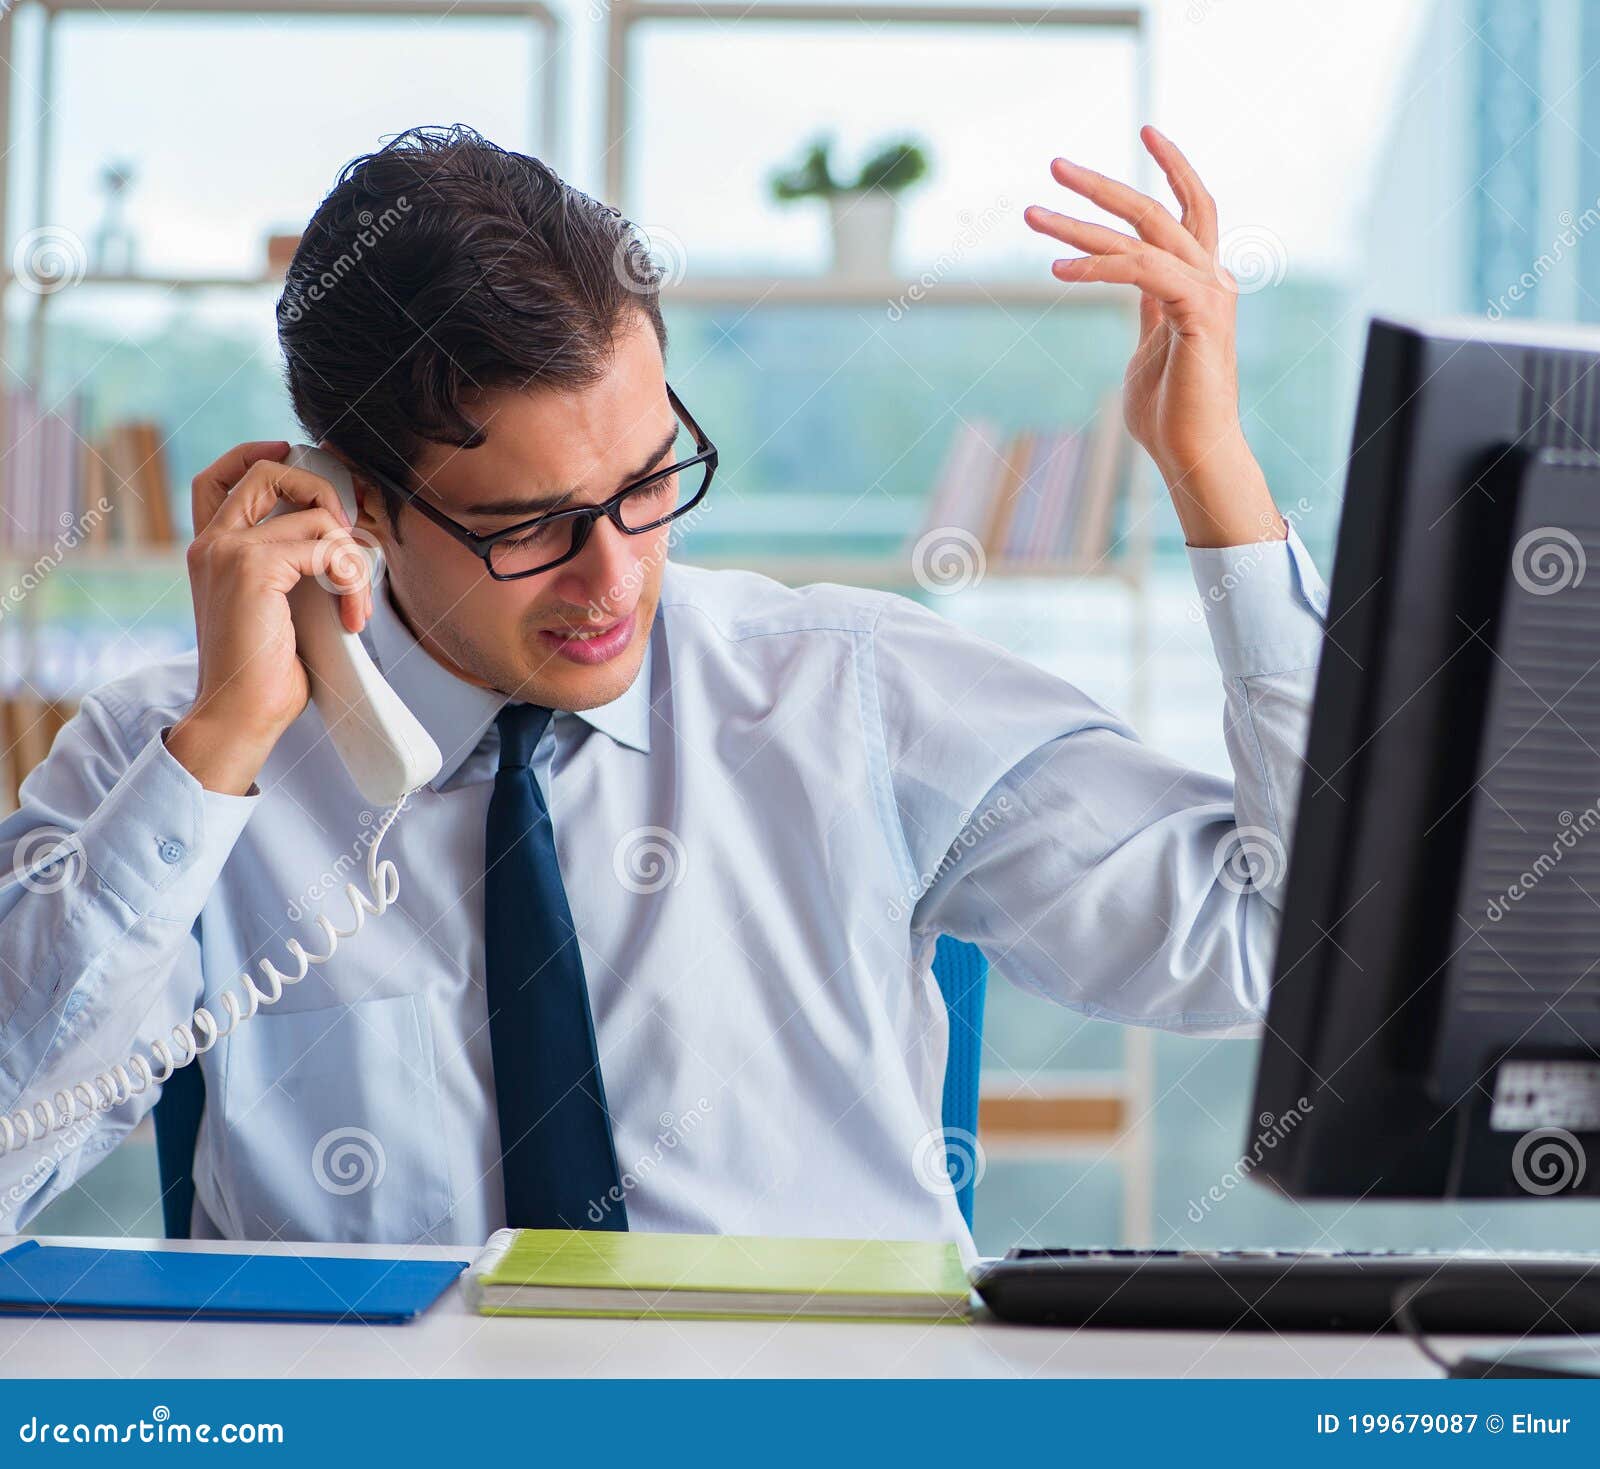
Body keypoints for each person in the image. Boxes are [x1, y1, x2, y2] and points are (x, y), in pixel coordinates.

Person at [0, 124, 1326, 1254]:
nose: (614, 577)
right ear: (349, 502)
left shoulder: (848, 693)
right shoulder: (176, 755)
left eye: (648, 483)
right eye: (527, 526)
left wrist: (1215, 479)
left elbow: (1290, 940)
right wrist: (222, 752)